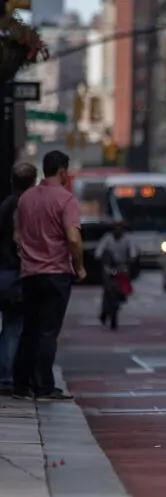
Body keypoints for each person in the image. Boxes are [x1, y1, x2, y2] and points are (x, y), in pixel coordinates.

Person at [12, 151, 84, 401]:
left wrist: (28, 255)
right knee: (47, 332)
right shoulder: (66, 200)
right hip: (55, 274)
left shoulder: (26, 198)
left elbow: (17, 236)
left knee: (29, 329)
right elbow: (73, 238)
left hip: (30, 274)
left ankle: (21, 384)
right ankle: (43, 387)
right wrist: (80, 266)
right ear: (63, 171)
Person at [0, 164, 37, 395]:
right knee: (15, 327)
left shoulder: (5, 204)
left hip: (5, 271)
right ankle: (6, 377)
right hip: (14, 272)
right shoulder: (21, 206)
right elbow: (19, 241)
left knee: (10, 326)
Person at [95, 220, 138, 328]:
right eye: (116, 229)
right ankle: (105, 311)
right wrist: (99, 257)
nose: (118, 231)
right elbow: (99, 251)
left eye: (120, 229)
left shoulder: (128, 238)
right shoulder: (107, 238)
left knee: (123, 287)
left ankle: (120, 300)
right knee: (107, 288)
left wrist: (132, 258)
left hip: (123, 266)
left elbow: (133, 251)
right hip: (109, 266)